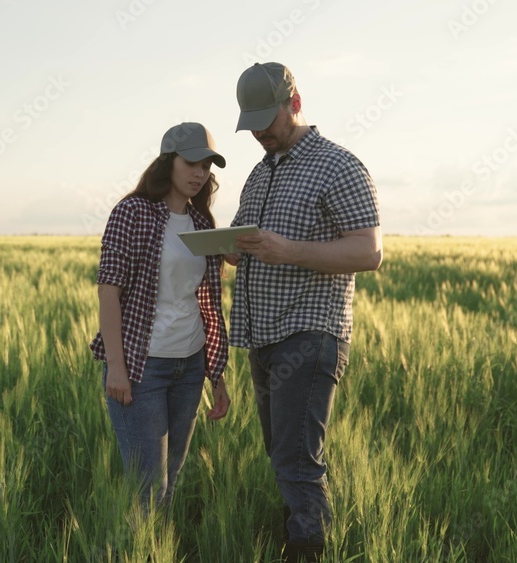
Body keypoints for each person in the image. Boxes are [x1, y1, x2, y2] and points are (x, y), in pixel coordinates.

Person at [226, 63, 382, 562]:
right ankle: (296, 538)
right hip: (263, 335)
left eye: (266, 120)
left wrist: (289, 250)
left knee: (297, 458)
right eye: (250, 124)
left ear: (294, 103)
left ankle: (307, 551)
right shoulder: (259, 172)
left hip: (309, 333)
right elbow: (242, 240)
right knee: (282, 455)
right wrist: (226, 246)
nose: (259, 133)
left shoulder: (339, 166)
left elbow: (368, 252)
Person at [89, 122, 231, 516]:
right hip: (142, 367)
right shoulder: (132, 213)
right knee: (148, 488)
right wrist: (116, 367)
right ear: (168, 161)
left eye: (207, 166)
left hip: (190, 366)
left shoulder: (203, 223)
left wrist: (215, 375)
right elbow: (109, 291)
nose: (200, 173)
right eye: (192, 163)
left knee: (171, 481)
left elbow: (208, 303)